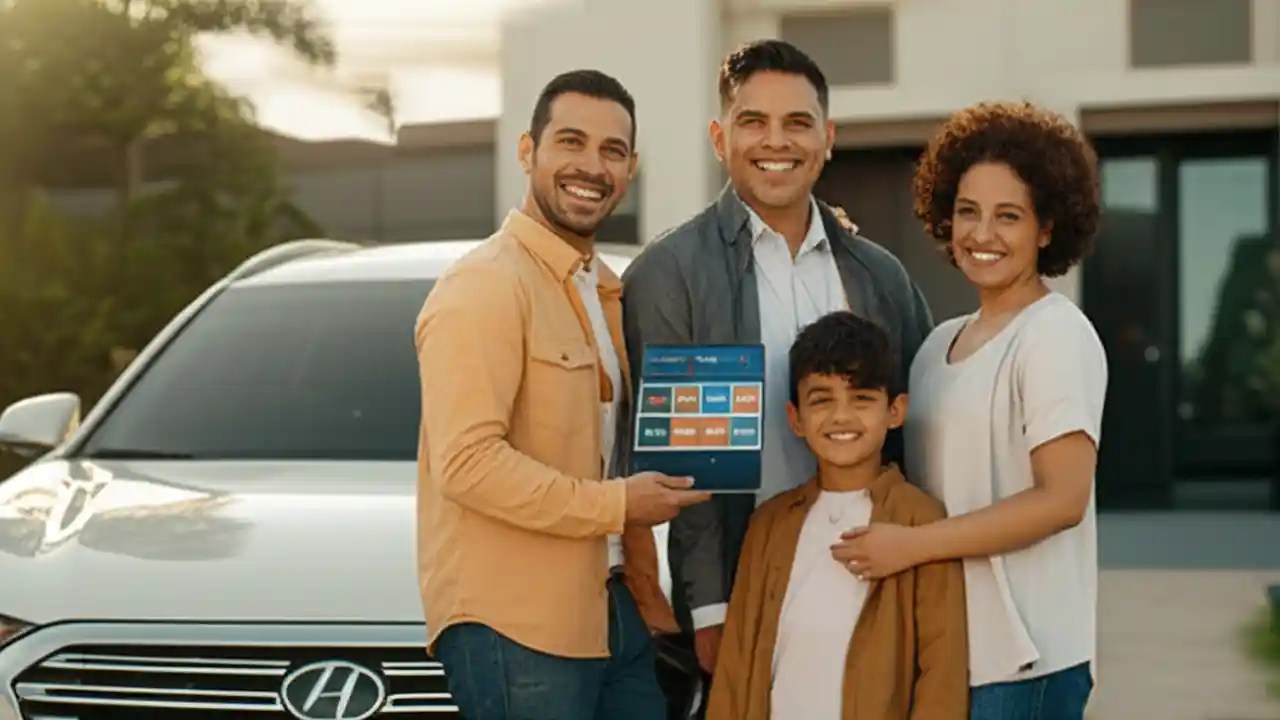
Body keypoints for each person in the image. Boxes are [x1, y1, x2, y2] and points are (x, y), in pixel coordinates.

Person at [620, 38, 934, 694]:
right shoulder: (671, 275)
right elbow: (686, 465)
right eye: (753, 122)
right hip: (746, 586)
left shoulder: (880, 276)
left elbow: (916, 433)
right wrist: (709, 607)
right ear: (719, 136)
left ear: (828, 138)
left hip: (876, 569)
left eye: (797, 123)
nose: (777, 142)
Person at [415, 68, 712, 720]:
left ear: (630, 168)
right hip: (514, 624)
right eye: (571, 142)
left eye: (612, 151)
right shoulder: (485, 286)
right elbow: (467, 464)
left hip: (611, 609)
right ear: (528, 151)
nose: (592, 166)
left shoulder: (605, 291)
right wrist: (616, 504)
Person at [833, 100, 1106, 720]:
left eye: (1008, 216)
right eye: (967, 212)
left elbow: (1062, 499)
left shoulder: (1054, 334)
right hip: (948, 652)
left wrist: (912, 546)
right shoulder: (937, 345)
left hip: (1025, 661)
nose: (982, 235)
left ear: (1046, 228)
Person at [705, 310, 968, 720]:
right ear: (795, 418)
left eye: (862, 399)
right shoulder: (770, 522)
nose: (841, 416)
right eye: (821, 400)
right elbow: (736, 662)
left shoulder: (920, 519)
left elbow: (941, 667)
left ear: (895, 411)